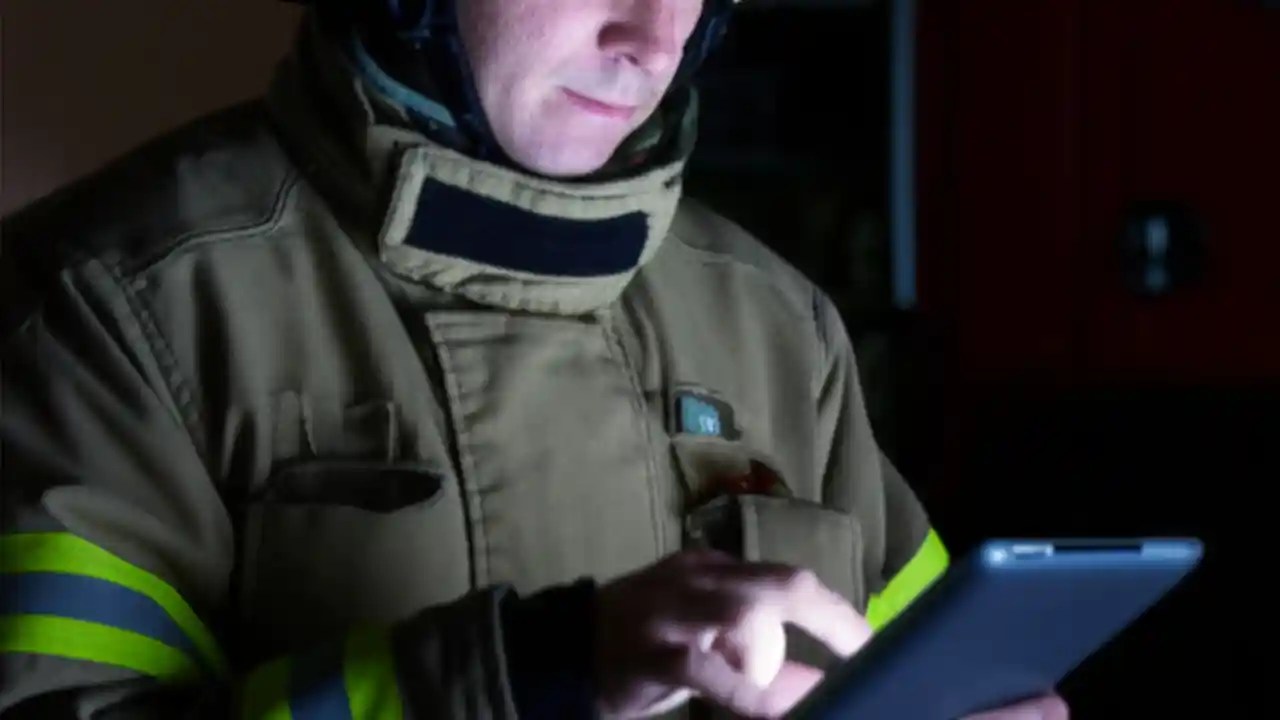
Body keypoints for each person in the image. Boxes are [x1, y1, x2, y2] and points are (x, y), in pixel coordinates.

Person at [0, 1, 1069, 718]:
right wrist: (531, 673)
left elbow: (928, 678)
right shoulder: (111, 303)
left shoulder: (780, 324)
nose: (652, 36)